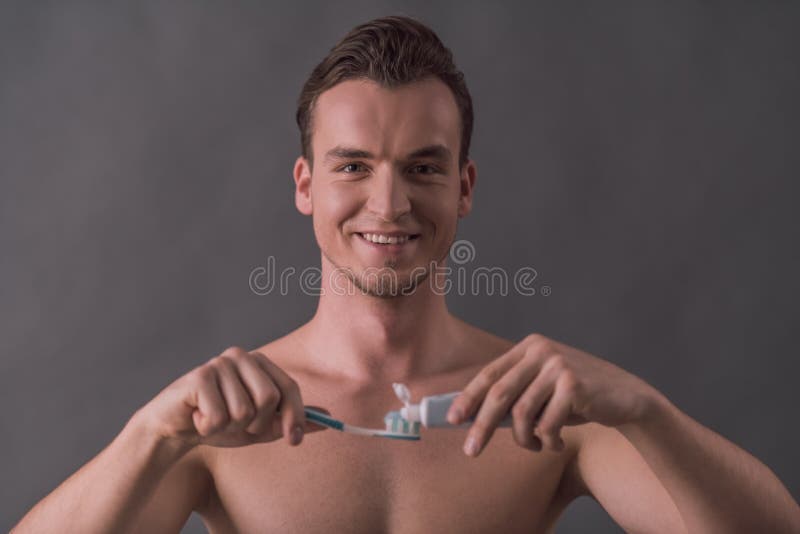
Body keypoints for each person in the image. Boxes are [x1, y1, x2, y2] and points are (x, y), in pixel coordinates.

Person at [13, 14, 799, 534]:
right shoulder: (225, 421)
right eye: (353, 166)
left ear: (463, 187)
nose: (387, 204)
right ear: (305, 185)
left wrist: (648, 413)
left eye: (422, 168)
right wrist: (149, 435)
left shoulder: (540, 407)